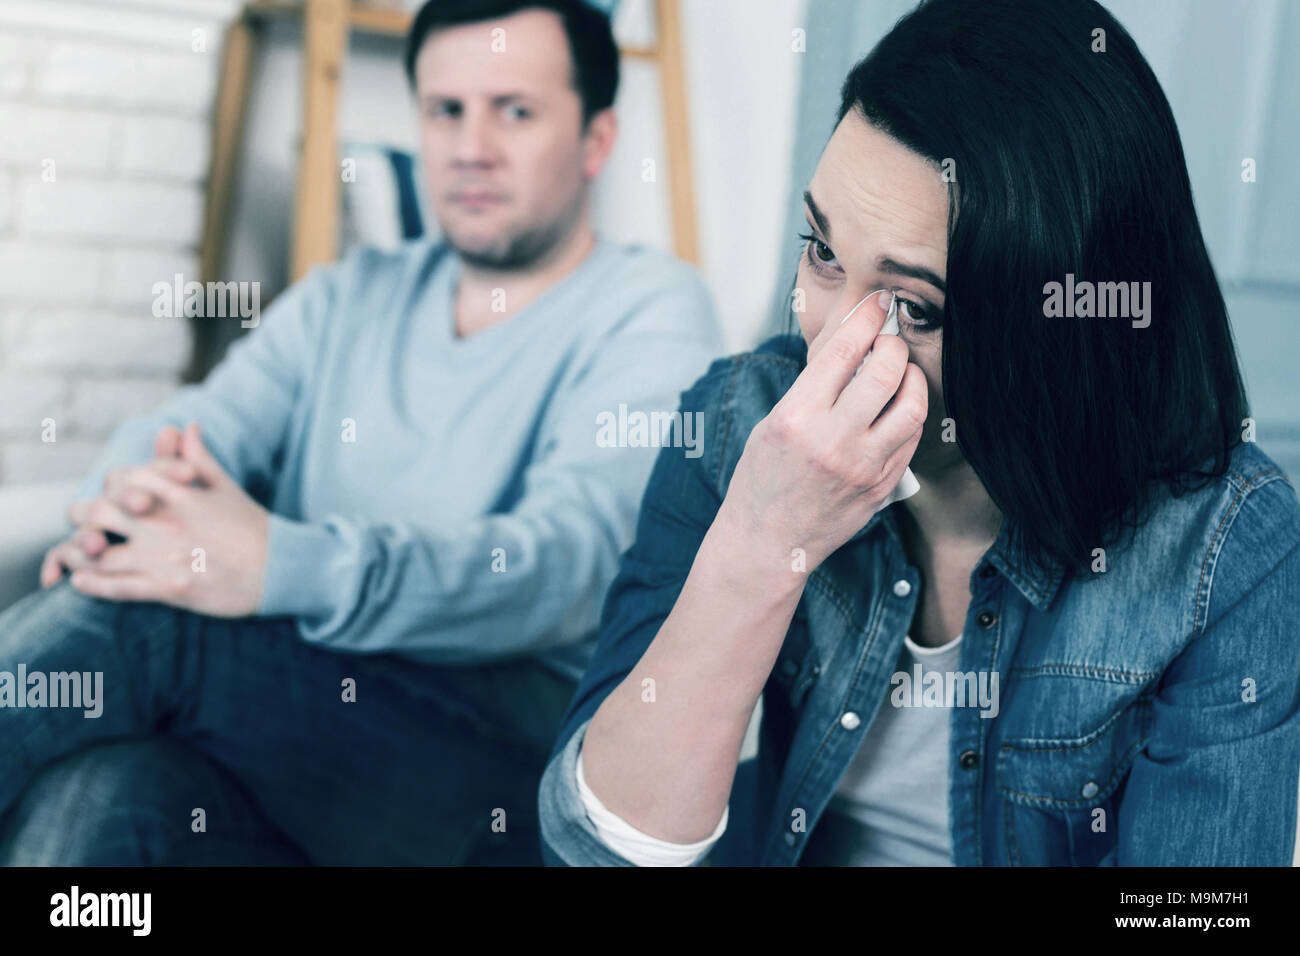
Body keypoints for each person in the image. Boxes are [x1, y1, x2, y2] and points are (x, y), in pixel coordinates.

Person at [538, 0, 1300, 866]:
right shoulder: (738, 424)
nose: (832, 346)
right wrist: (761, 541)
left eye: (913, 307)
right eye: (823, 251)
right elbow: (587, 849)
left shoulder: (1230, 549)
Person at [0, 0, 723, 865]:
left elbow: (560, 569)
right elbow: (193, 427)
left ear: (596, 141)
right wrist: (119, 511)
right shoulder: (352, 292)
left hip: (494, 771)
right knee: (107, 792)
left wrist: (278, 564)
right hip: (301, 732)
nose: (471, 147)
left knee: (153, 626)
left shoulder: (651, 308)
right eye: (446, 110)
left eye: (515, 111)